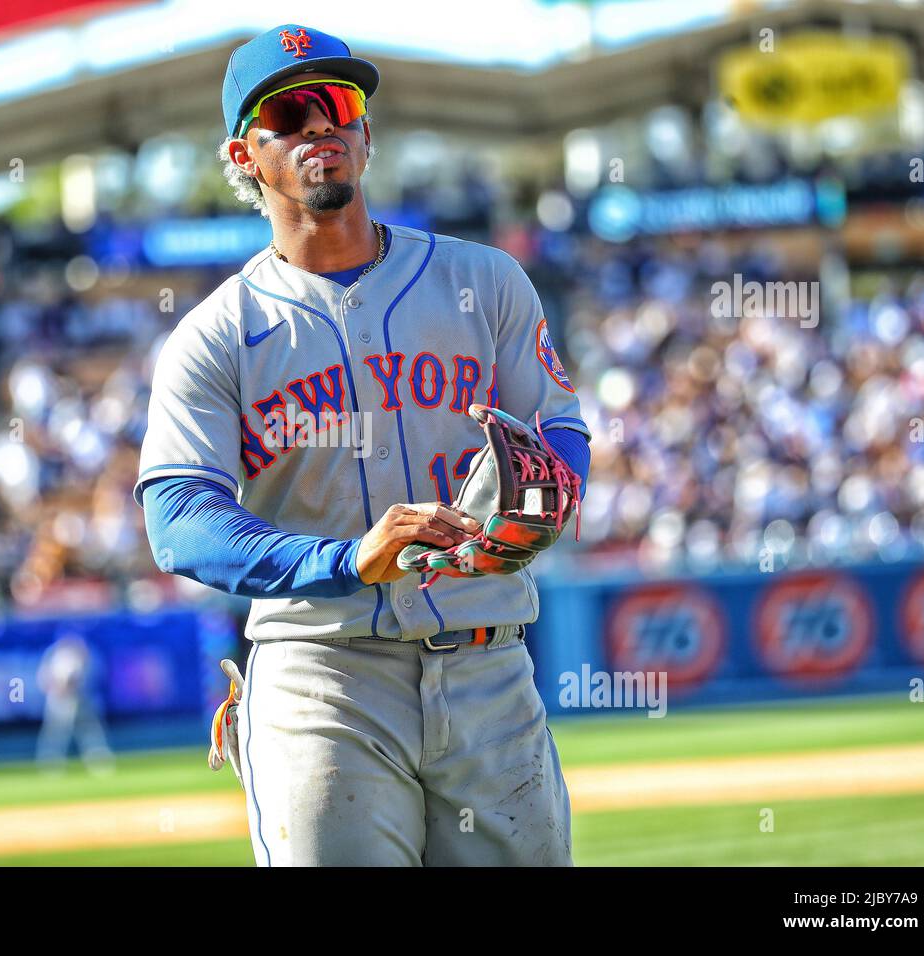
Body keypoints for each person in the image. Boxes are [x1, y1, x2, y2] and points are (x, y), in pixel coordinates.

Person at [137, 24, 591, 866]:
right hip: (322, 680)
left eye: (339, 107)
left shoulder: (483, 281)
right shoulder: (216, 336)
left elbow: (559, 429)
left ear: (367, 135)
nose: (321, 129)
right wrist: (346, 559)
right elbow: (179, 518)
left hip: (490, 668)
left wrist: (554, 496)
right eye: (291, 114)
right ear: (245, 154)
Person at [35, 635, 115, 774]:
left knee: (90, 732)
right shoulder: (55, 657)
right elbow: (44, 681)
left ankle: (99, 763)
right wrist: (59, 688)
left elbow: (90, 680)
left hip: (80, 700)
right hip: (59, 701)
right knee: (57, 735)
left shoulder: (82, 657)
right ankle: (51, 766)